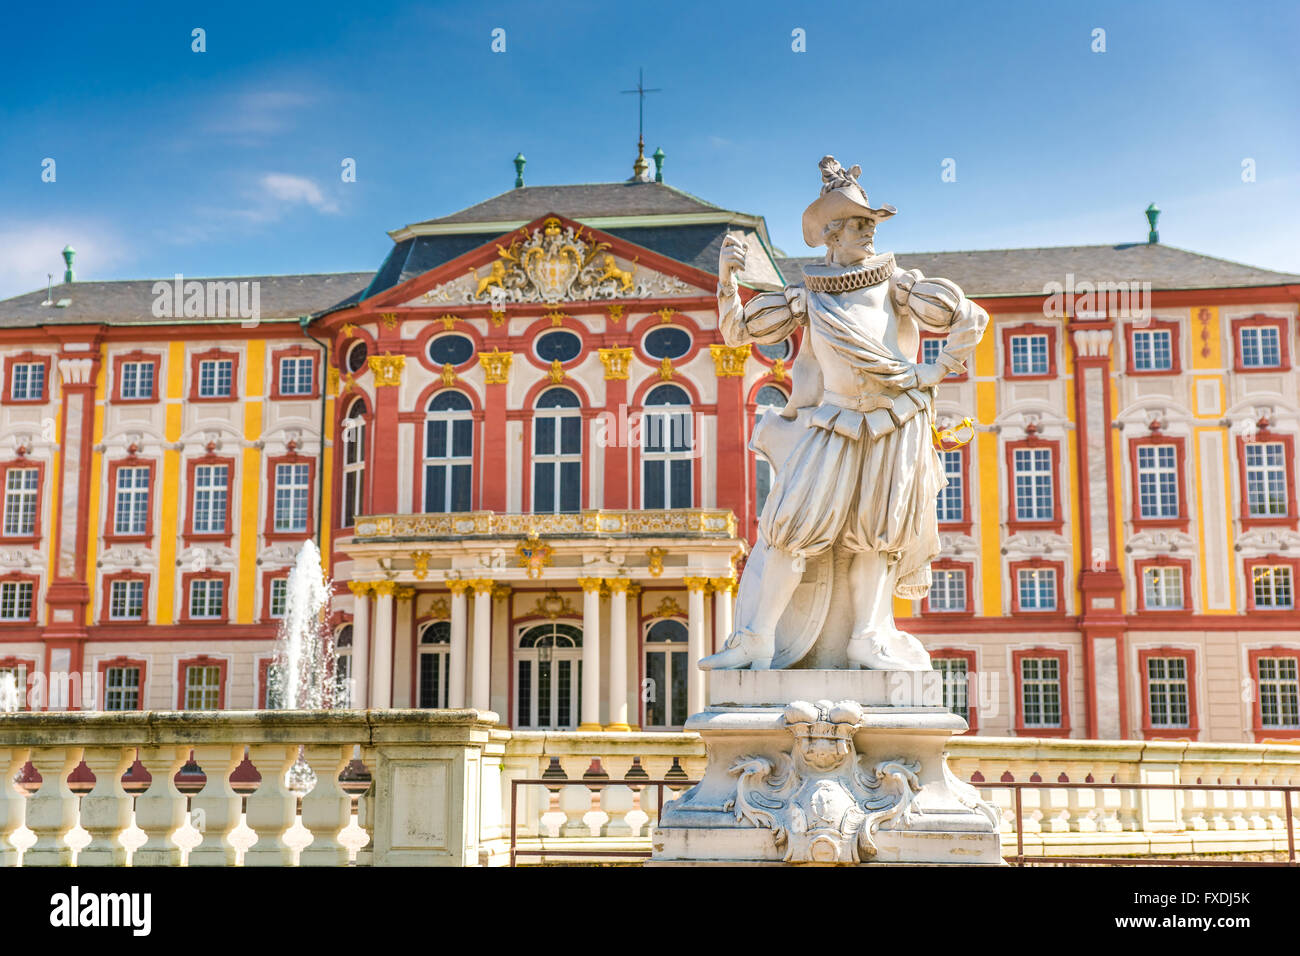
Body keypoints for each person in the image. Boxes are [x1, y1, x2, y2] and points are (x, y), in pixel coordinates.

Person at [699, 156, 988, 671]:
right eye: (858, 223)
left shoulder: (898, 285)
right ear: (831, 234)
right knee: (790, 526)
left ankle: (868, 637)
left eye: (871, 222)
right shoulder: (808, 296)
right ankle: (757, 638)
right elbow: (738, 332)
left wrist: (937, 369)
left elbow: (970, 317)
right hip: (832, 422)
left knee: (877, 535)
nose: (868, 232)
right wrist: (727, 277)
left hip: (892, 422)